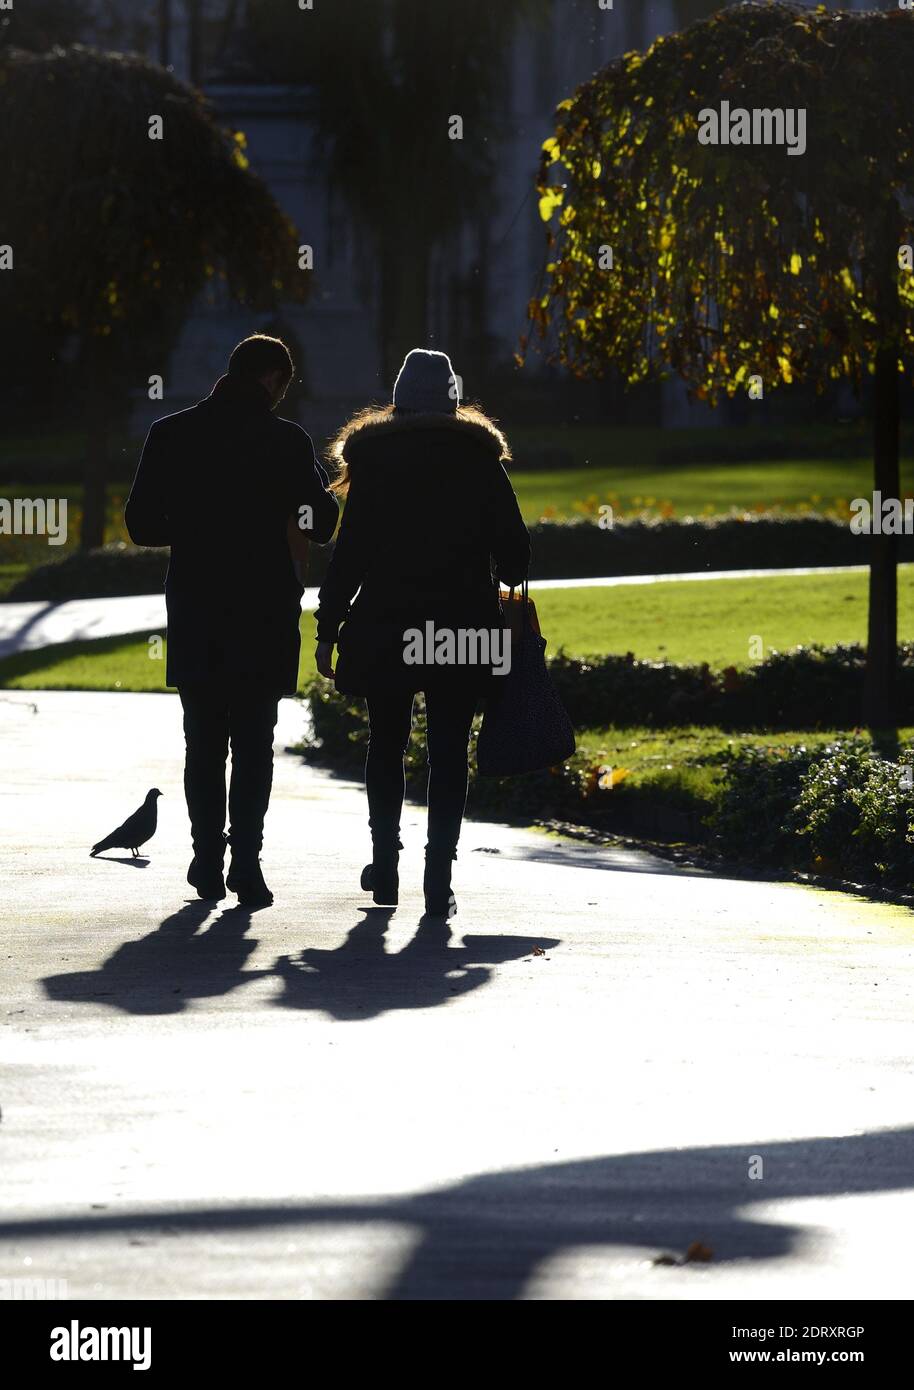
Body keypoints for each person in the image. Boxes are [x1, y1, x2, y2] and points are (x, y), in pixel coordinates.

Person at [125, 334, 339, 907]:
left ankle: (205, 859)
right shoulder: (285, 441)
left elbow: (141, 525)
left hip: (197, 606)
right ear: (273, 379)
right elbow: (320, 522)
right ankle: (247, 862)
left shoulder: (171, 434)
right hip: (264, 609)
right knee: (252, 744)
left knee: (202, 743)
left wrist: (196, 528)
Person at [315, 348, 530, 917]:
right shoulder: (480, 459)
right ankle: (440, 879)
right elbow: (515, 554)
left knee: (387, 741)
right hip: (460, 625)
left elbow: (350, 554)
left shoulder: (374, 459)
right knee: (449, 748)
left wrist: (327, 627)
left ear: (398, 399)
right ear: (455, 401)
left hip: (387, 623)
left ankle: (385, 865)